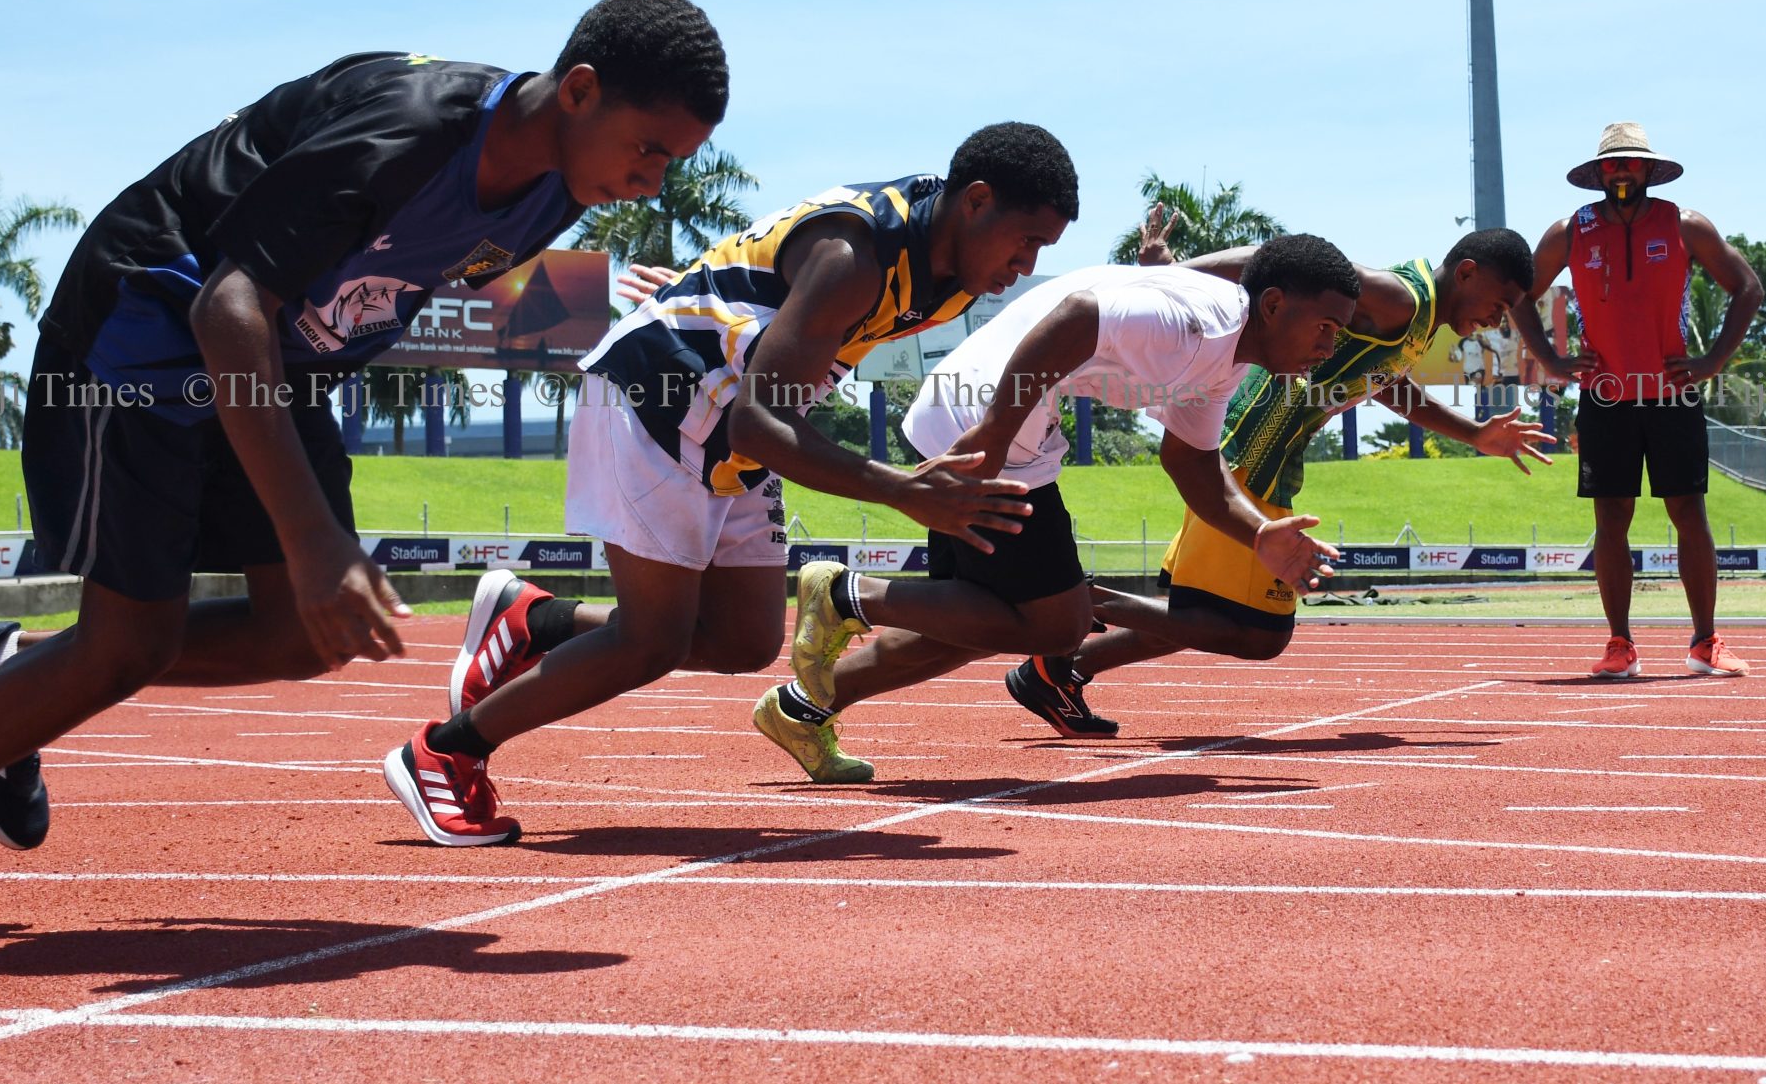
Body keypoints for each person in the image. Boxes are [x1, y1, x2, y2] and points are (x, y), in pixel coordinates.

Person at [0, 0, 727, 955]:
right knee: (127, 642)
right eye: (651, 149)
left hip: (275, 366)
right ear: (581, 91)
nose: (654, 179)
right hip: (147, 343)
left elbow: (416, 267)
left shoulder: (554, 189)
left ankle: (2, 673)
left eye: (673, 162)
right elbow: (227, 304)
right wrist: (314, 540)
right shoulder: (411, 127)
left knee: (299, 634)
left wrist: (583, 294)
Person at [381, 125, 1078, 843]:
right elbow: (758, 421)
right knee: (650, 642)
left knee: (743, 639)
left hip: (734, 416)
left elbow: (763, 344)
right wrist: (903, 489)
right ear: (977, 201)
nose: (1023, 266)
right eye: (1023, 242)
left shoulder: (948, 270)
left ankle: (536, 621)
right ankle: (446, 750)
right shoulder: (854, 255)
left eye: (1040, 252)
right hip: (660, 398)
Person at [751, 236, 1362, 782]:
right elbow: (1077, 314)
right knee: (1054, 626)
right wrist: (994, 432)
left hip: (990, 421)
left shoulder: (1222, 358)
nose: (1330, 346)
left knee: (979, 619)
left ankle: (803, 707)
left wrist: (1257, 535)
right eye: (1327, 327)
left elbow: (1192, 463)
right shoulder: (1196, 325)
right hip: (988, 424)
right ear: (1275, 304)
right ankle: (847, 595)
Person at [1005, 226, 1554, 736]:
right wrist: (1163, 279)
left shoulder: (1415, 325)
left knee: (1209, 615)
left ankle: (1064, 668)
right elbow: (1263, 262)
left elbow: (1388, 385)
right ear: (1467, 273)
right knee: (1254, 631)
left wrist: (1475, 433)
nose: (1498, 319)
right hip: (1247, 454)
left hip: (1265, 460)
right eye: (1499, 304)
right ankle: (1086, 605)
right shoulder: (1399, 298)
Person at [1518, 123, 1763, 680]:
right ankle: (1619, 644)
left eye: (1631, 163)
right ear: (1599, 173)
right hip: (1605, 398)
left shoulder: (1683, 224)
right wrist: (1552, 362)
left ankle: (1706, 642)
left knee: (1688, 512)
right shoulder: (1569, 231)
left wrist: (1712, 362)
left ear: (1650, 170)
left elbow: (1747, 288)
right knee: (1612, 517)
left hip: (1672, 394)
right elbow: (1519, 296)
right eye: (1612, 164)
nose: (1622, 171)